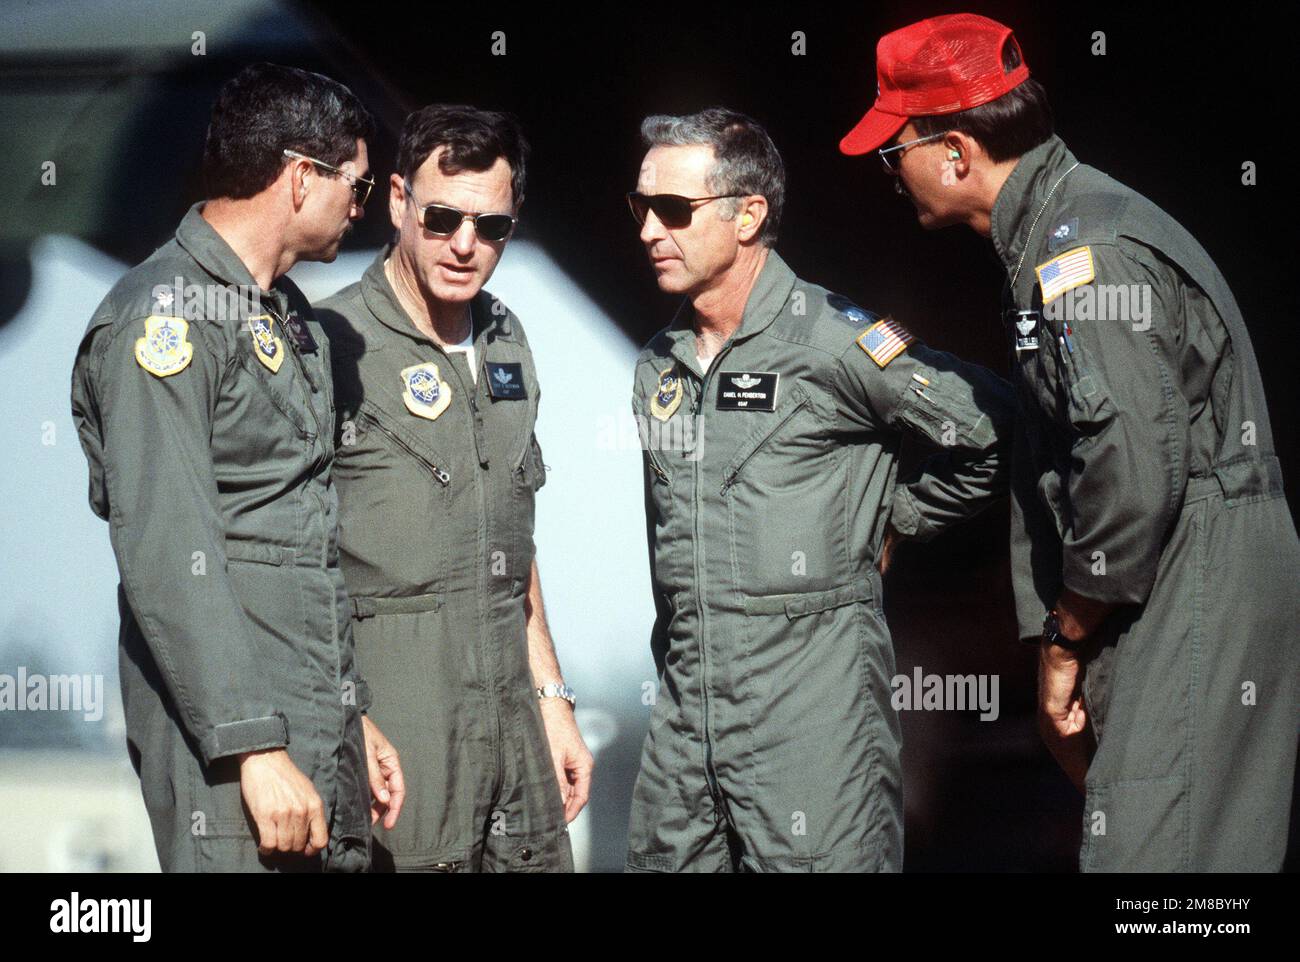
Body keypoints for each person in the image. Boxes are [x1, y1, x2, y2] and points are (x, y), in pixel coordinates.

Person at [840, 12, 1300, 871]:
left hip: (1187, 570)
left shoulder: (1085, 253)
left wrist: (1063, 638)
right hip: (1178, 570)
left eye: (890, 150)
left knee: (1160, 874)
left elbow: (1131, 478)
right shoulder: (1060, 230)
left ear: (954, 151)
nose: (888, 175)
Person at [624, 107, 1015, 872]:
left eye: (673, 209)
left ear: (749, 215)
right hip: (683, 724)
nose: (647, 230)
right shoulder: (658, 368)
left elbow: (993, 429)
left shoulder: (834, 341)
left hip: (810, 724)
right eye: (639, 206)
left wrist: (894, 516)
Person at [70, 63, 405, 872]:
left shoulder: (288, 322)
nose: (360, 212)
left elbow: (299, 542)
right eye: (356, 189)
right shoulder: (164, 317)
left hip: (312, 732)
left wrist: (347, 711)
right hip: (233, 758)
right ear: (300, 178)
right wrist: (252, 748)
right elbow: (168, 548)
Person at [316, 104, 590, 873]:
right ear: (398, 201)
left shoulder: (507, 338)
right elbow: (285, 555)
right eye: (442, 218)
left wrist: (553, 701)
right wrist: (347, 718)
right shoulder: (329, 346)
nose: (466, 245)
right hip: (398, 710)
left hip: (513, 719)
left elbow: (514, 537)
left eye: (492, 226)